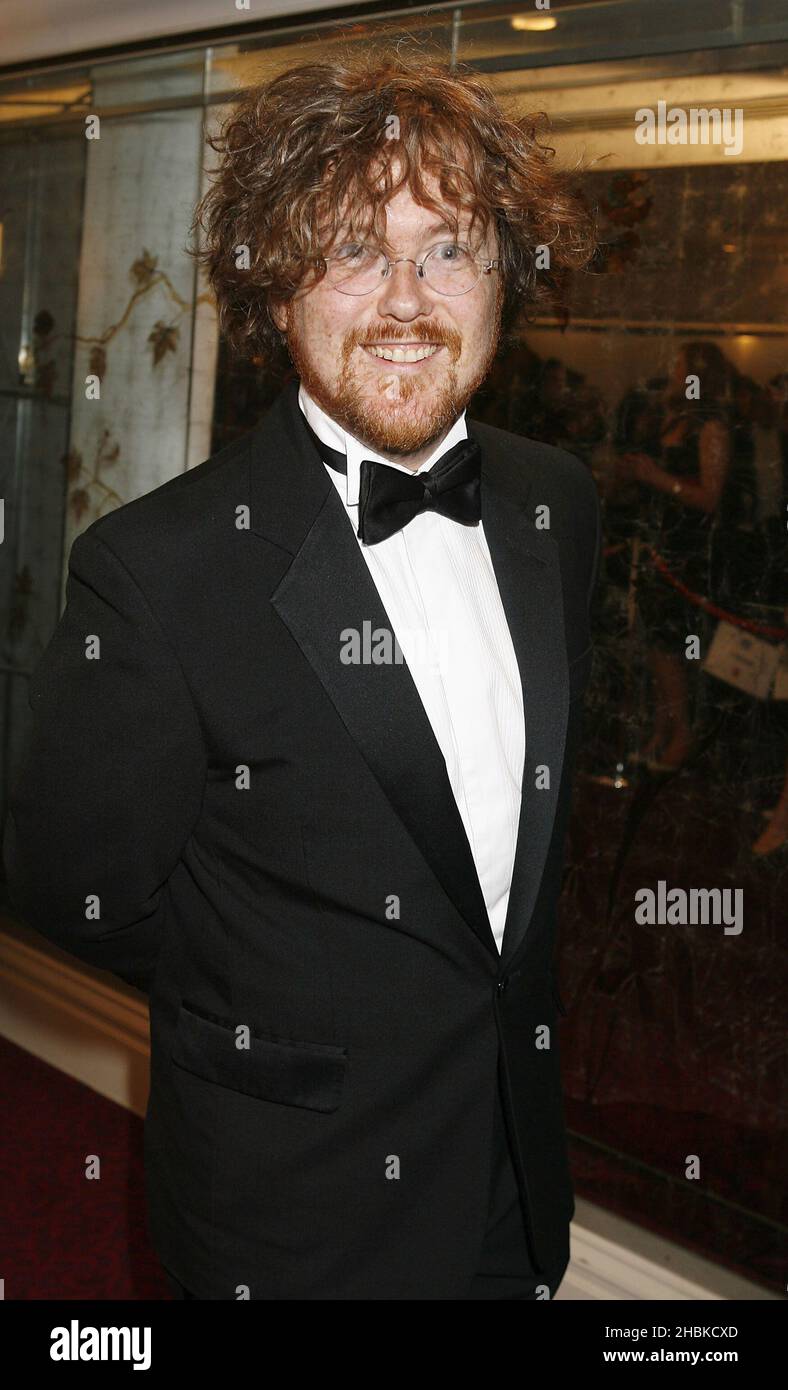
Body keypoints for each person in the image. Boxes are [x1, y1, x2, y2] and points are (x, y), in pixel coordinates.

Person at [3, 50, 600, 1301]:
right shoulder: (153, 573)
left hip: (513, 1180)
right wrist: (273, 995)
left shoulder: (556, 504)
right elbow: (86, 896)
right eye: (348, 251)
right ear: (275, 293)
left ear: (503, 283)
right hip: (292, 1217)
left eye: (446, 249)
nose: (403, 298)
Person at [624, 342, 732, 771]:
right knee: (655, 646)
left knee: (674, 649)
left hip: (688, 556)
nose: (673, 373)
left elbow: (710, 497)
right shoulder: (677, 421)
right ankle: (664, 729)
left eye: (681, 367)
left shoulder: (712, 428)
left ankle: (682, 734)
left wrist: (658, 478)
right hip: (661, 545)